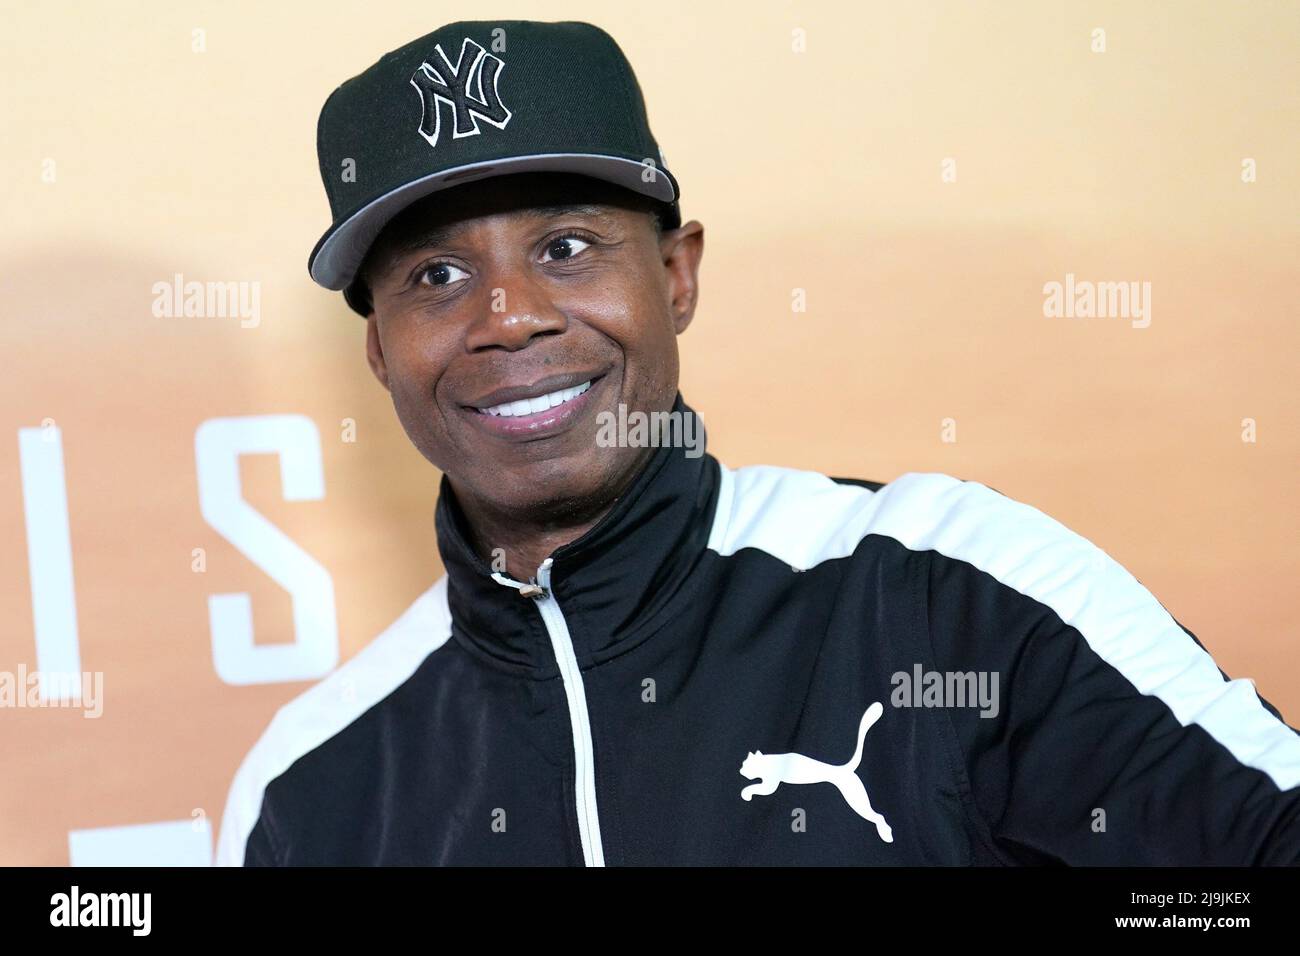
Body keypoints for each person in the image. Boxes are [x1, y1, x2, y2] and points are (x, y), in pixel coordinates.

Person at [215, 19, 1300, 866]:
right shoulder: (309, 789)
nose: (507, 315)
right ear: (379, 349)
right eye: (435, 276)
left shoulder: (949, 590)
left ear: (677, 275)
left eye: (565, 244)